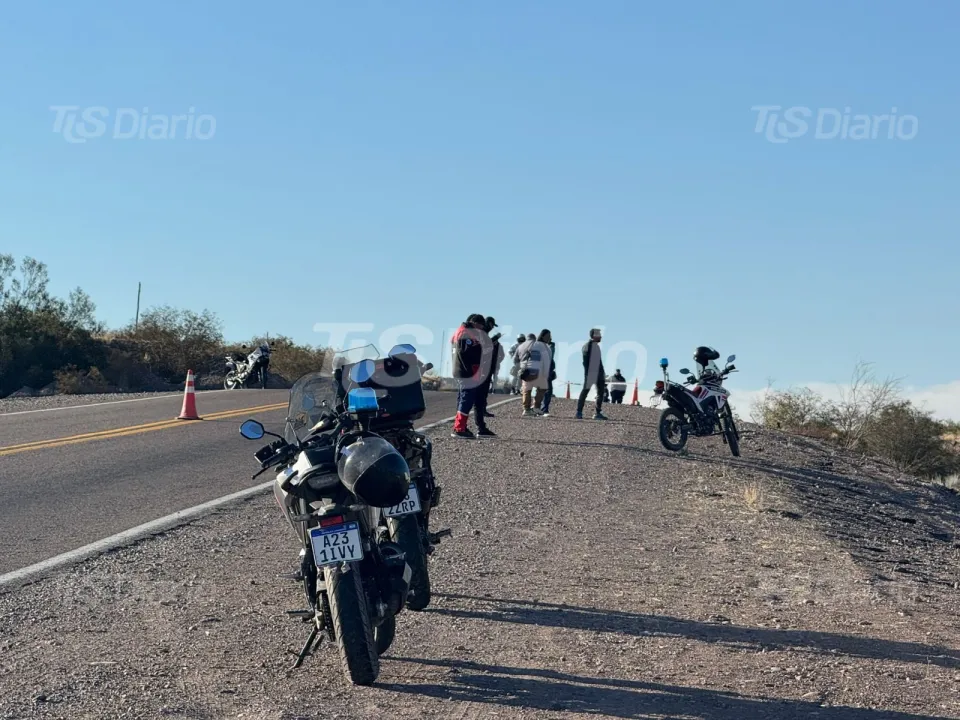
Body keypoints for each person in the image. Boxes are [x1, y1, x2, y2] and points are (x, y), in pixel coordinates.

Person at [450, 313, 495, 438]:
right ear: (475, 323)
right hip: (467, 372)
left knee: (464, 399)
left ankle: (460, 426)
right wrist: (482, 348)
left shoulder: (460, 332)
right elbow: (467, 353)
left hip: (462, 371)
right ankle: (459, 428)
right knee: (466, 400)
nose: (480, 329)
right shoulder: (465, 334)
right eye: (480, 326)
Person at [514, 332, 552, 417]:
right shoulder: (539, 345)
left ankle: (526, 409)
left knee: (526, 390)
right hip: (537, 370)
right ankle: (536, 407)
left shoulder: (521, 346)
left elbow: (515, 360)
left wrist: (520, 367)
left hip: (525, 371)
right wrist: (546, 373)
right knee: (542, 388)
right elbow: (546, 359)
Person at [475, 316, 503, 421]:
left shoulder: (484, 334)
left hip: (487, 366)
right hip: (482, 367)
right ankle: (480, 412)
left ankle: (482, 409)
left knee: (484, 390)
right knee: (481, 390)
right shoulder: (481, 333)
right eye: (491, 325)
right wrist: (493, 341)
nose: (491, 327)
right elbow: (482, 348)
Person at [576, 328, 608, 420]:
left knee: (600, 393)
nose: (601, 336)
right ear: (594, 335)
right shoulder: (588, 346)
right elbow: (585, 361)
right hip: (591, 373)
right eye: (599, 334)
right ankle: (579, 412)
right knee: (585, 392)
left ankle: (597, 412)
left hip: (598, 374)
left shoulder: (595, 346)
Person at [536, 329, 557, 417]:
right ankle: (541, 409)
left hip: (548, 370)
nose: (550, 338)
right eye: (548, 336)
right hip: (542, 370)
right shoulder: (538, 345)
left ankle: (543, 409)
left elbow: (551, 358)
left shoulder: (548, 346)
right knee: (543, 390)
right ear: (543, 336)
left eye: (550, 336)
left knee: (547, 390)